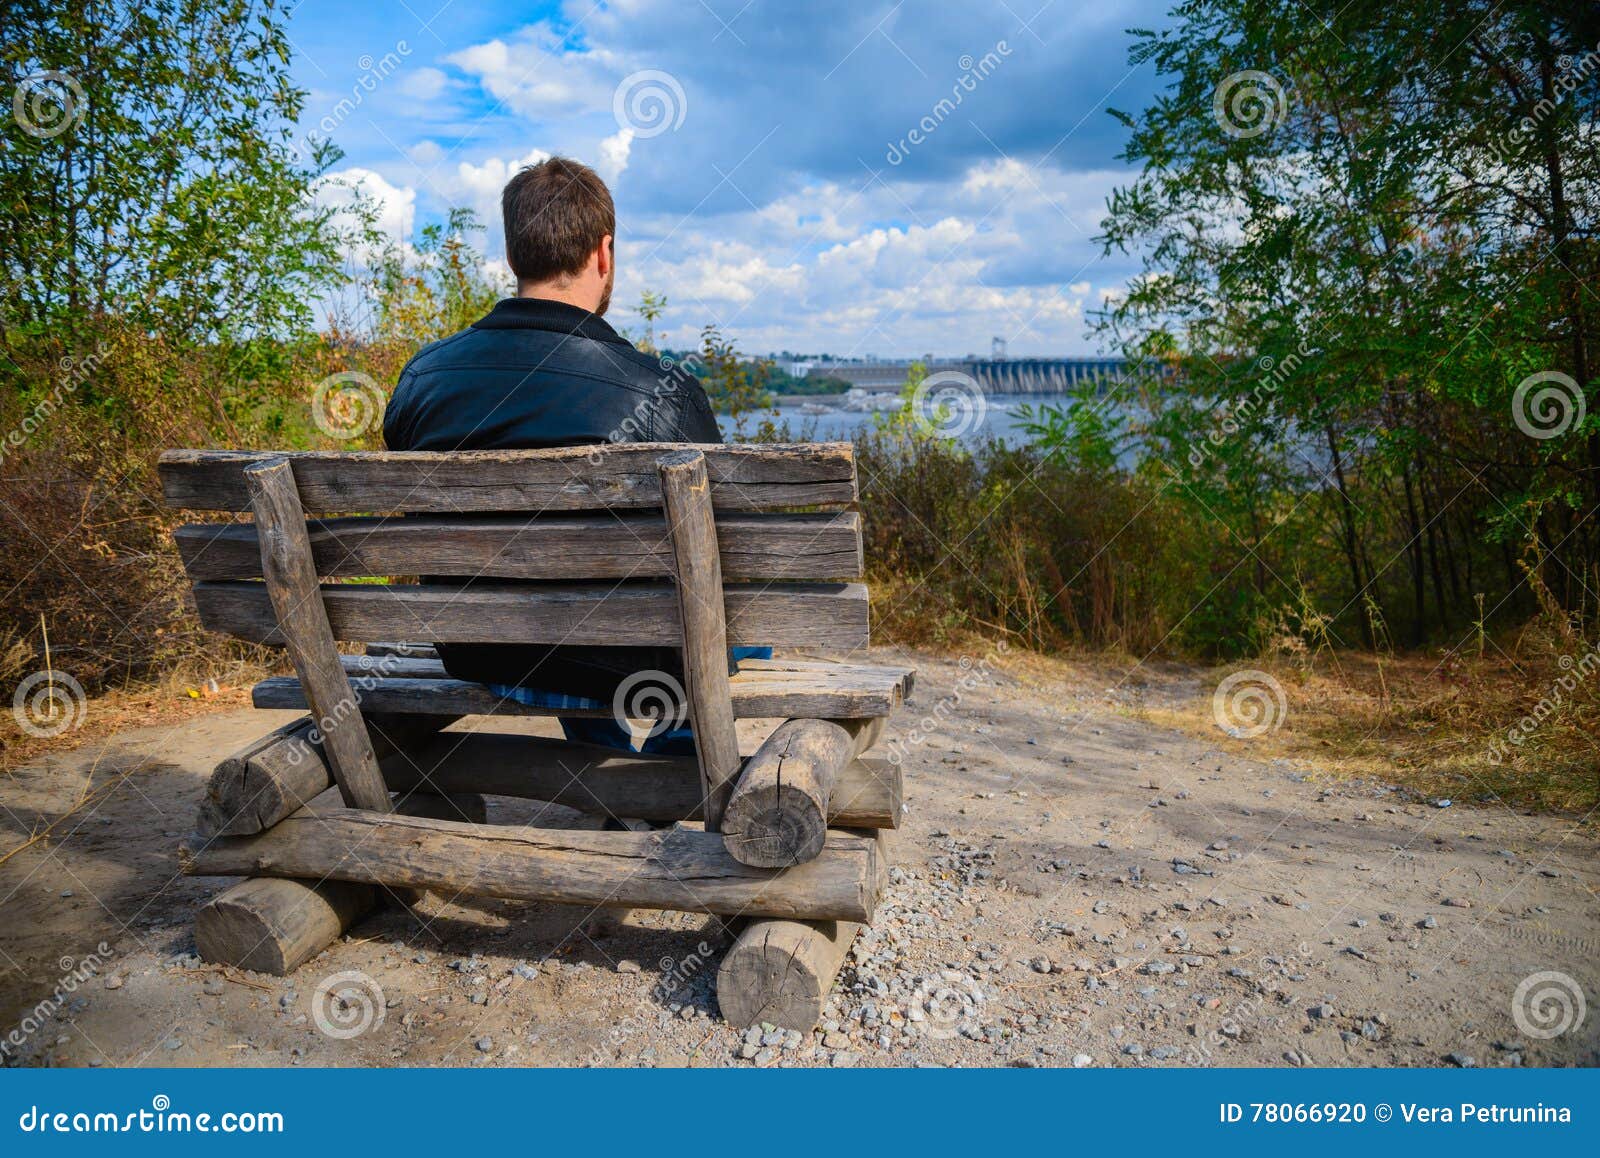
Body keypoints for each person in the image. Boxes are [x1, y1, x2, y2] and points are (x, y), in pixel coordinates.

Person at [382, 156, 761, 753]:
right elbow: (728, 548)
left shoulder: (423, 380)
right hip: (628, 660)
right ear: (604, 254)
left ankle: (604, 759)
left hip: (479, 649)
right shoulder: (663, 393)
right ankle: (666, 768)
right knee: (734, 619)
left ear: (512, 258)